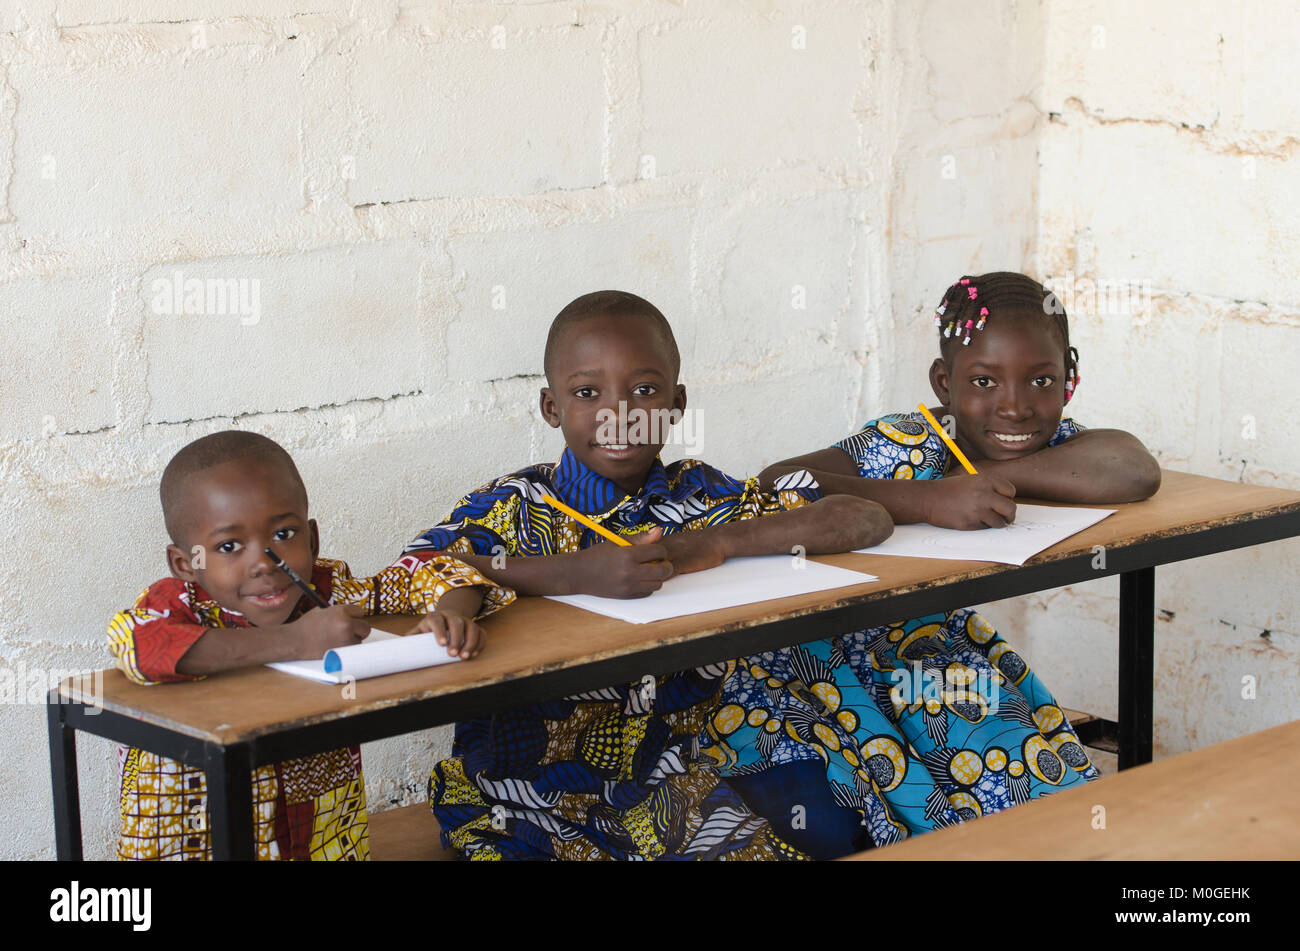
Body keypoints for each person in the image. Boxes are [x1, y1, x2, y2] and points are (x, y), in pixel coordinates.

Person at [405, 289, 892, 859]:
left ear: (677, 401)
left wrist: (708, 544)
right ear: (551, 407)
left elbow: (861, 517)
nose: (619, 414)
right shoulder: (517, 505)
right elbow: (423, 567)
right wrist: (575, 573)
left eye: (644, 390)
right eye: (588, 393)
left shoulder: (702, 496)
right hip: (519, 798)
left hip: (674, 788)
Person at [702, 271, 1162, 857]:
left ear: (1069, 376)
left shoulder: (1058, 446)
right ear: (943, 383)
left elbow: (1133, 470)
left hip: (934, 657)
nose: (1016, 406)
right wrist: (925, 498)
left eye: (1041, 380)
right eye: (984, 381)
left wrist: (981, 480)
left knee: (1038, 801)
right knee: (849, 819)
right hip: (822, 663)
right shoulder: (908, 441)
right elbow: (778, 481)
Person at [107, 430, 513, 860]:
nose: (264, 562)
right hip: (199, 839)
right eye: (229, 546)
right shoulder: (176, 606)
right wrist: (296, 640)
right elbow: (137, 646)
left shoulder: (327, 589)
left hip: (321, 834)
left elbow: (435, 569)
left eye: (283, 534)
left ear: (312, 539)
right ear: (185, 563)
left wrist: (451, 614)